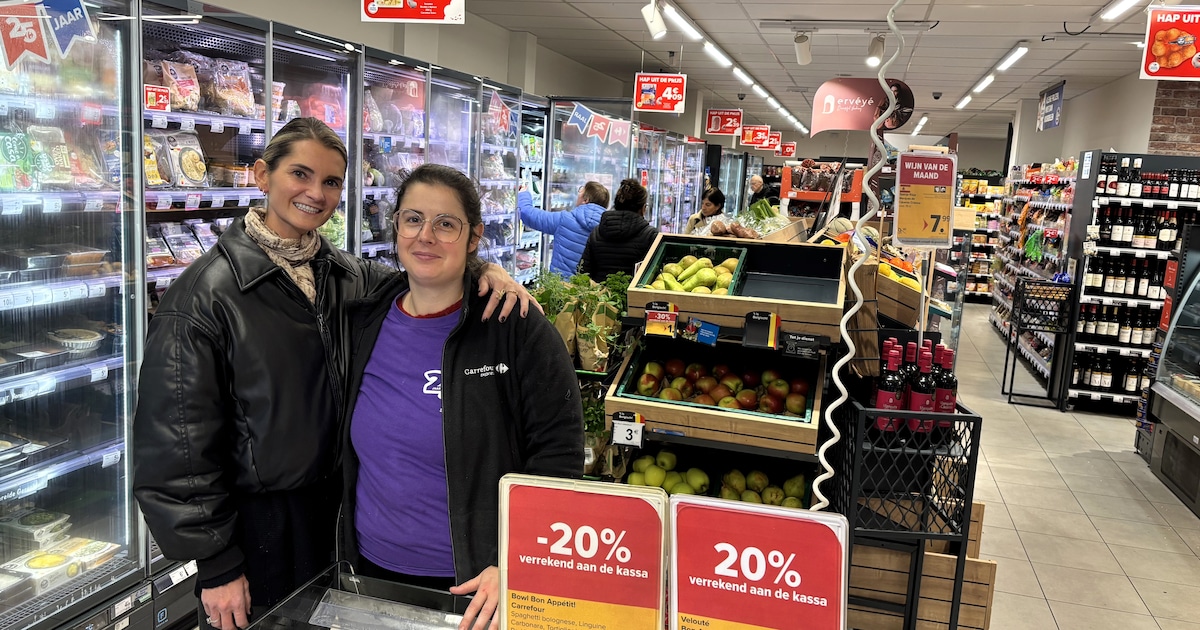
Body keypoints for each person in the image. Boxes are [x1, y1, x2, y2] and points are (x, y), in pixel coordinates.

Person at [132, 118, 533, 630]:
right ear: (261, 175)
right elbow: (176, 443)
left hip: (342, 515)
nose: (315, 193)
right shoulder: (206, 295)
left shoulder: (348, 275)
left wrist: (484, 270)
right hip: (261, 526)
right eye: (300, 174)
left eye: (331, 181)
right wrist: (215, 564)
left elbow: (428, 271)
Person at [340, 163, 584, 630]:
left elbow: (559, 456)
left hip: (477, 588)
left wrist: (516, 561)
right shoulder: (364, 319)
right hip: (370, 572)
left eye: (445, 224)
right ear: (395, 228)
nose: (425, 236)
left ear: (474, 237)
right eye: (412, 219)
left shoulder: (516, 327)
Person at [516, 181, 608, 278]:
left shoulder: (565, 220)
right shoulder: (607, 228)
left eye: (581, 191)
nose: (578, 194)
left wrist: (523, 194)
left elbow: (529, 215)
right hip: (590, 289)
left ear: (586, 200)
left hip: (560, 288)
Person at [578, 178, 658, 283]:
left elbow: (583, 272)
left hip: (599, 296)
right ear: (643, 209)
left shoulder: (597, 232)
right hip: (634, 298)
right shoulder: (651, 236)